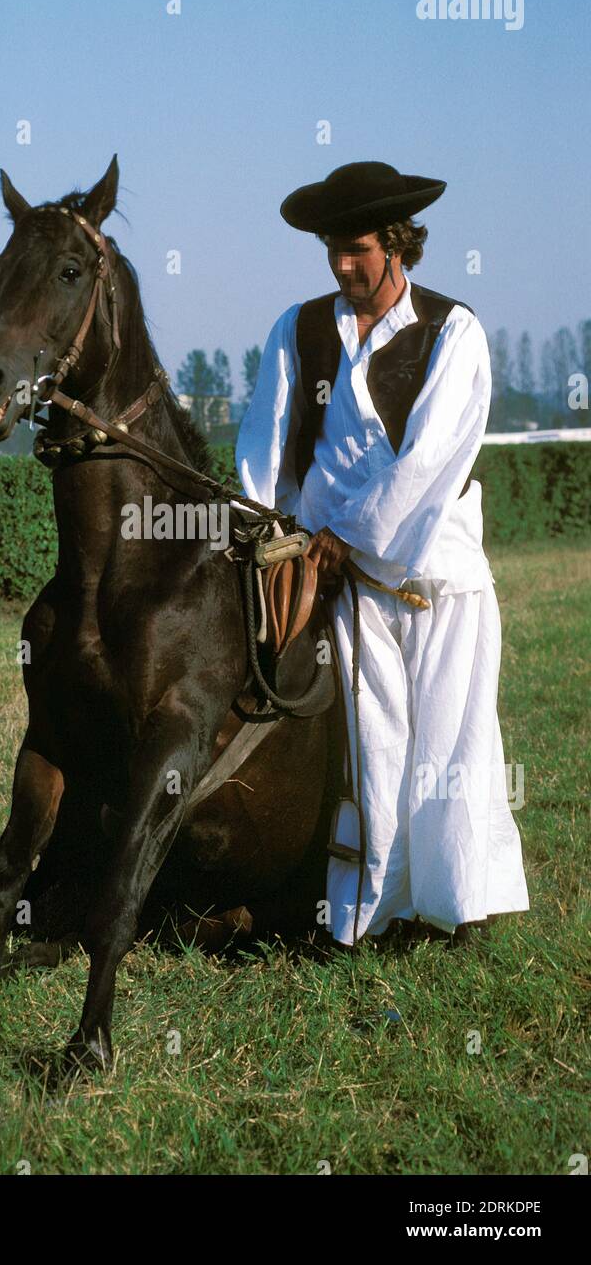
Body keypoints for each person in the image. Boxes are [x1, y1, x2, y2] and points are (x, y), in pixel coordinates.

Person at [235, 161, 529, 949]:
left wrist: (346, 533)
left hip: (440, 573)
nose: (341, 264)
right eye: (333, 247)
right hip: (346, 586)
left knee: (455, 742)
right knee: (376, 750)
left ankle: (461, 905)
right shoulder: (298, 331)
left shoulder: (451, 331)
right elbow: (264, 452)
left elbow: (431, 459)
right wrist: (270, 539)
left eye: (357, 248)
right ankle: (373, 917)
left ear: (398, 245)